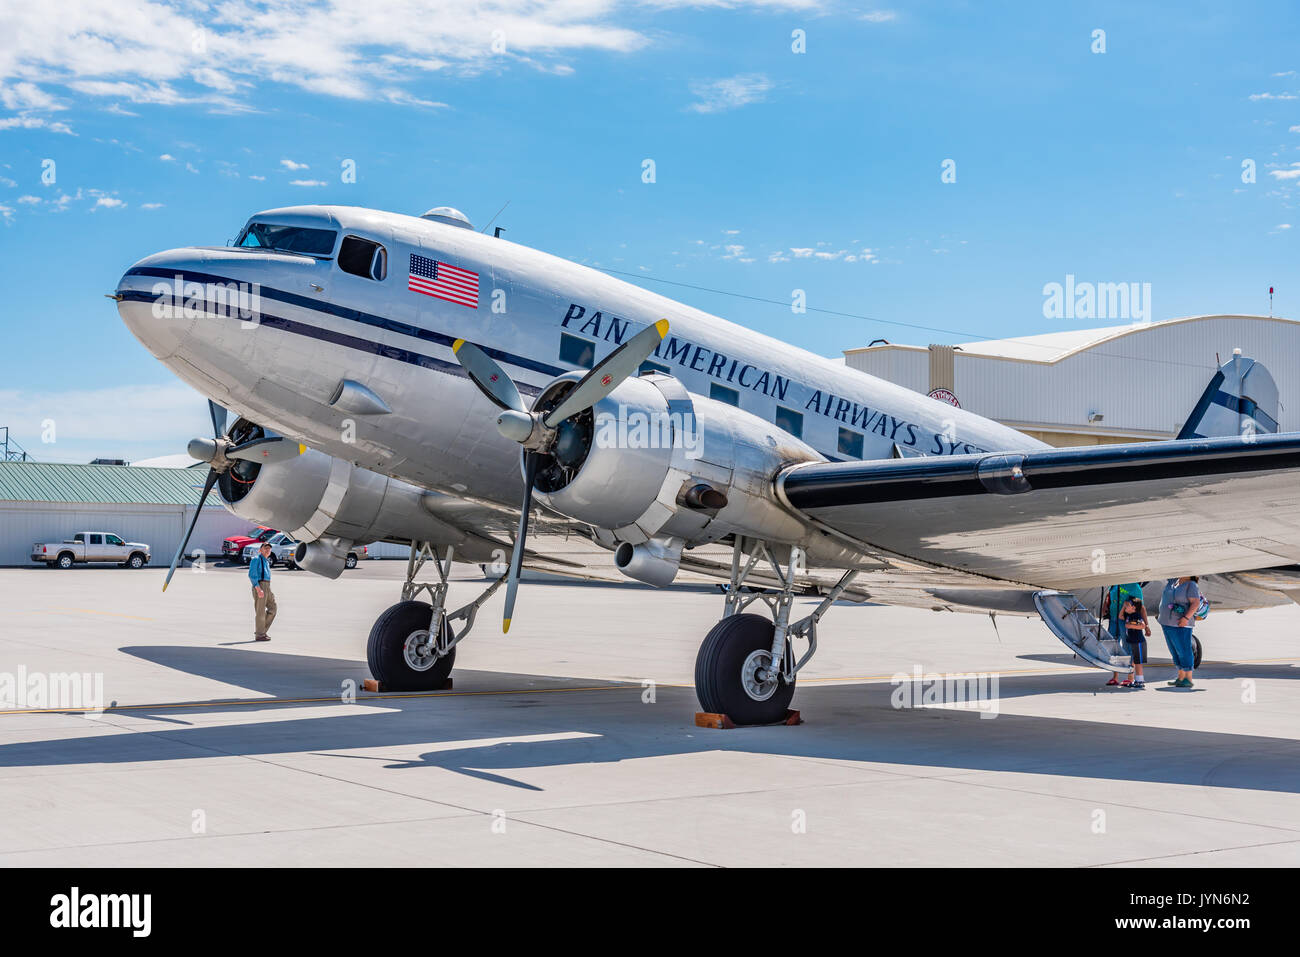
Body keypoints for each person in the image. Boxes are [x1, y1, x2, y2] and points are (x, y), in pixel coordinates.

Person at [1158, 576, 1201, 688]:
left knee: (1184, 650)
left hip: (1180, 623)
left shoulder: (1191, 585)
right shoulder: (1173, 581)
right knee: (1175, 651)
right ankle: (1180, 677)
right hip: (1167, 622)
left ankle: (1188, 678)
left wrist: (1186, 618)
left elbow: (1195, 603)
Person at [1101, 582, 1144, 686]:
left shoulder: (1135, 587)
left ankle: (1130, 677)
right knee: (1113, 647)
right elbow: (1109, 596)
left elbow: (1140, 606)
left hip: (1125, 620)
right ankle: (1115, 677)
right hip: (1113, 619)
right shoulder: (1115, 584)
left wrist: (1145, 625)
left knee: (1127, 646)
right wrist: (1105, 606)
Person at [1118, 594, 1151, 688]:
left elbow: (1142, 625)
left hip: (1139, 642)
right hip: (1134, 642)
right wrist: (1124, 606)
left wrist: (1131, 626)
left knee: (1138, 662)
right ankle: (1134, 680)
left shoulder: (1136, 616)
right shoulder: (1129, 615)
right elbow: (1120, 616)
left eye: (1127, 606)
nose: (1125, 608)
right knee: (1134, 661)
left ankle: (1140, 681)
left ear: (1134, 608)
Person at [248, 541, 277, 642]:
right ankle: (260, 634)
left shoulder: (266, 560)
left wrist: (268, 590)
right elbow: (252, 575)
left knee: (273, 608)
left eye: (269, 548)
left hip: (267, 586)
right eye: (265, 548)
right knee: (260, 611)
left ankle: (261, 631)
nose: (268, 550)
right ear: (260, 550)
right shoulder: (256, 559)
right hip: (260, 585)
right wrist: (258, 588)